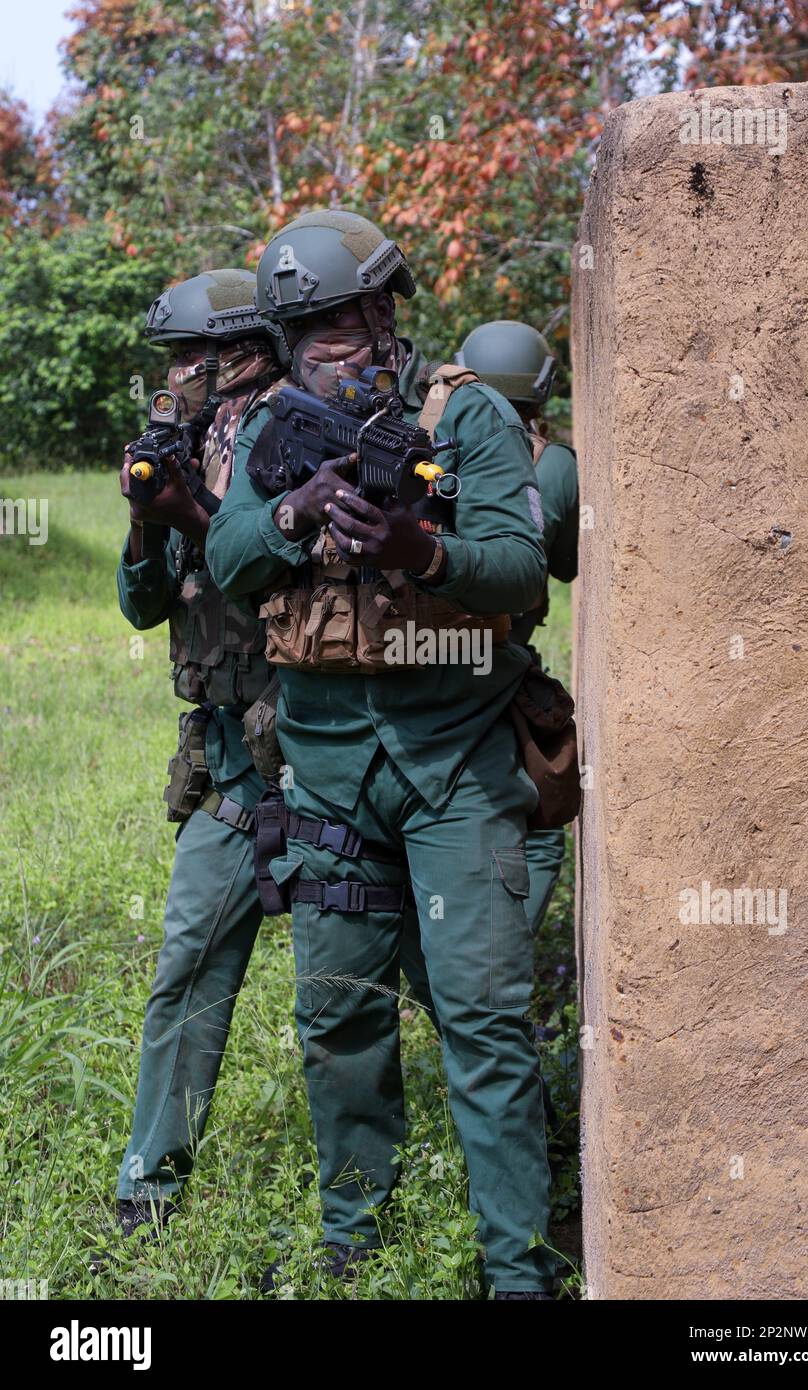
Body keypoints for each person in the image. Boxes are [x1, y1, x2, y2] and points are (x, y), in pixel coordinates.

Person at [205, 209, 558, 1299]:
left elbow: (521, 573)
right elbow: (226, 560)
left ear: (382, 310)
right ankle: (355, 1242)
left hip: (455, 763)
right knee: (339, 1013)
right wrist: (290, 517)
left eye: (341, 321)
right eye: (302, 328)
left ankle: (516, 1272)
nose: (326, 345)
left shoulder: (470, 416)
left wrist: (422, 546)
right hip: (328, 769)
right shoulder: (277, 426)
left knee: (485, 1018)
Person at [109, 269, 287, 1245]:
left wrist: (191, 505)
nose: (173, 376)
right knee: (185, 968)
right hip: (228, 760)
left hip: (319, 749)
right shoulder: (183, 444)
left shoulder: (287, 433)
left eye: (188, 356)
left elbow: (265, 564)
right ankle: (149, 1192)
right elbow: (142, 606)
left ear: (240, 352)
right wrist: (147, 509)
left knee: (429, 967)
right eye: (168, 359)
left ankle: (536, 1121)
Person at [456, 320, 579, 933]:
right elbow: (566, 565)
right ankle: (504, 965)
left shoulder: (437, 444)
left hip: (425, 658)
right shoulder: (554, 464)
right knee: (539, 830)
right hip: (505, 669)